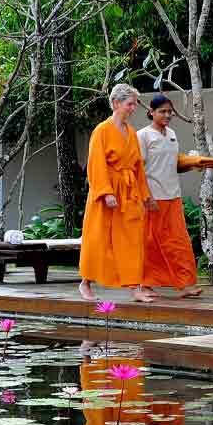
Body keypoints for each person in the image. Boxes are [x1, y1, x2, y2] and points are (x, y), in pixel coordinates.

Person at [138, 94, 213, 297]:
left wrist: (195, 162)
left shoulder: (172, 134)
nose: (168, 115)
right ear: (151, 112)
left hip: (173, 196)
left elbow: (173, 164)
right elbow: (138, 168)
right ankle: (145, 284)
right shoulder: (142, 136)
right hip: (152, 198)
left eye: (170, 111)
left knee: (179, 242)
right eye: (162, 111)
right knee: (150, 243)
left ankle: (185, 284)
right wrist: (146, 196)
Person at [79, 84, 156, 303]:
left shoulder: (131, 133)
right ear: (116, 104)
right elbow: (95, 163)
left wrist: (145, 196)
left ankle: (135, 288)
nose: (133, 108)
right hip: (107, 192)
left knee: (133, 239)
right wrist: (105, 192)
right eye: (129, 104)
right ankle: (86, 282)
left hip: (129, 193)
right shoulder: (102, 130)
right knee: (98, 238)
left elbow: (137, 168)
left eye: (134, 104)